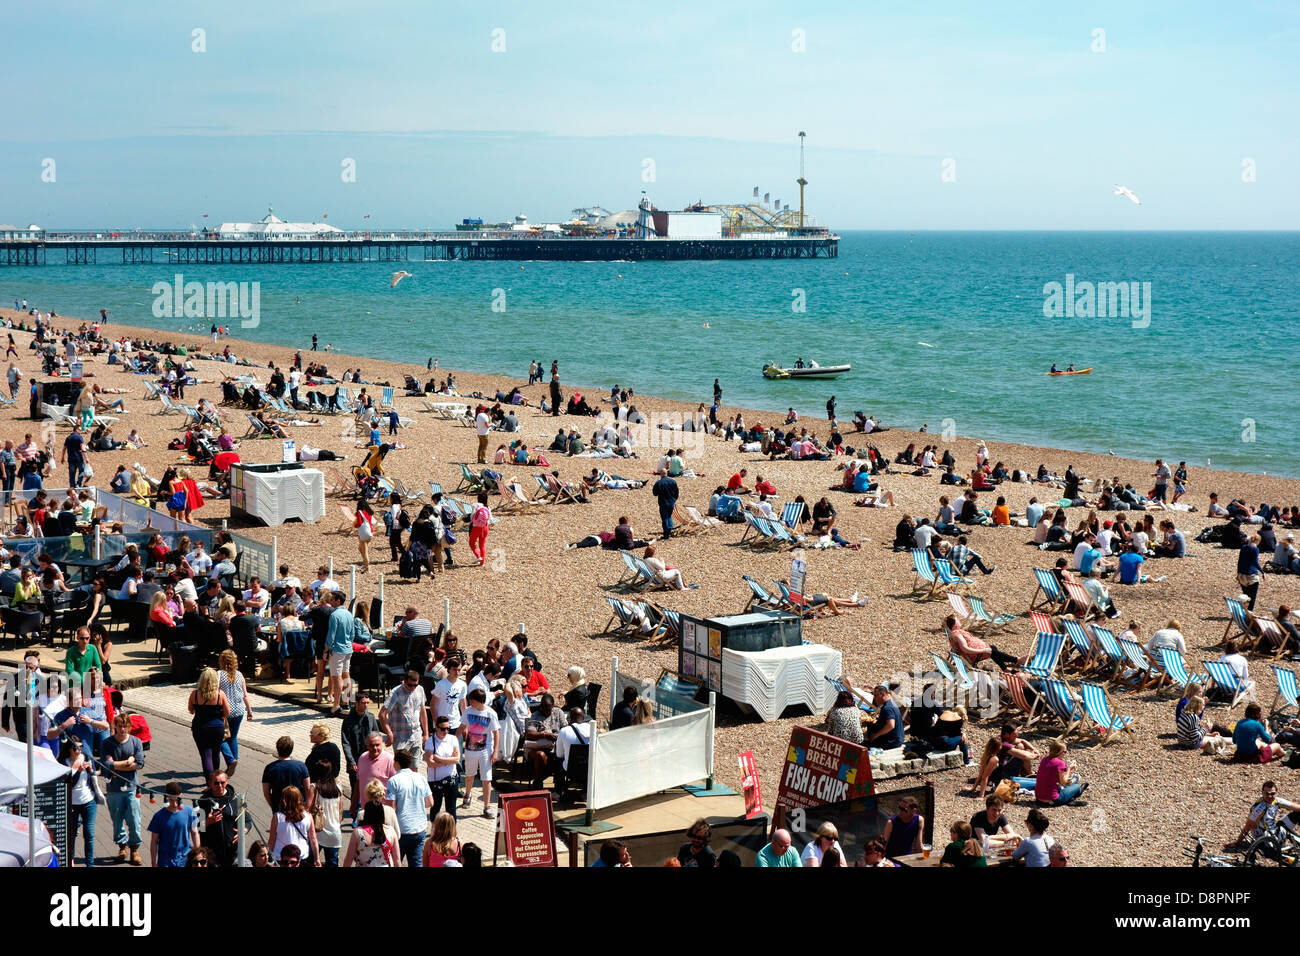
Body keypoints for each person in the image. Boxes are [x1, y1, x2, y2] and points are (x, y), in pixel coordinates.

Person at [100, 713, 145, 865]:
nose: (123, 729)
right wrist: (127, 762)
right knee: (117, 820)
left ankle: (134, 850)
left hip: (132, 788)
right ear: (115, 727)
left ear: (129, 727)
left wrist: (115, 765)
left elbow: (139, 764)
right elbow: (105, 765)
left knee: (134, 819)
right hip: (113, 789)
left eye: (125, 726)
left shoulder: (136, 742)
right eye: (120, 726)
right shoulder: (107, 743)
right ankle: (122, 847)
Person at [385, 749, 434, 866]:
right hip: (419, 828)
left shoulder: (393, 781)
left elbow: (391, 809)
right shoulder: (421, 777)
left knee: (395, 862)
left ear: (396, 763)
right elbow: (430, 802)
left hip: (401, 830)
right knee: (416, 863)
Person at [59, 737, 101, 867]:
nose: (79, 750)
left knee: (89, 834)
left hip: (88, 800)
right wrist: (75, 769)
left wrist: (91, 771)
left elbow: (94, 774)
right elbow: (63, 781)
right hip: (72, 802)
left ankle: (90, 863)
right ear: (69, 749)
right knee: (71, 834)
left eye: (81, 746)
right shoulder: (63, 762)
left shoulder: (86, 757)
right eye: (76, 747)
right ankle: (70, 860)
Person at [460, 687, 500, 817]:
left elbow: (496, 732)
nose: (471, 703)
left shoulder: (490, 713)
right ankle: (468, 793)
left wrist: (495, 752)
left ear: (480, 701)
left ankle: (487, 806)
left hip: (485, 749)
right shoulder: (468, 711)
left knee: (486, 778)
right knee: (469, 774)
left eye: (473, 701)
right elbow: (462, 727)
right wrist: (454, 742)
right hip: (471, 747)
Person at [187, 667, 230, 782]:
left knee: (206, 755)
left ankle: (210, 783)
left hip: (200, 727)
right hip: (217, 728)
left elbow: (190, 710)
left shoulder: (194, 694)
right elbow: (227, 712)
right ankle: (217, 780)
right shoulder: (220, 694)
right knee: (216, 753)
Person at [381, 669, 429, 764]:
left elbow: (423, 712)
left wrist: (426, 734)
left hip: (416, 735)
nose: (413, 688)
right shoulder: (396, 692)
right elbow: (382, 714)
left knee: (415, 767)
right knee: (401, 767)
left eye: (415, 685)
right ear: (404, 682)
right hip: (400, 737)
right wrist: (389, 733)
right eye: (410, 685)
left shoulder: (420, 690)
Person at [197, 769, 244, 867]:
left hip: (232, 852)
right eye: (216, 783)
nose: (220, 786)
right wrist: (207, 822)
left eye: (222, 783)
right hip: (210, 854)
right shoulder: (202, 802)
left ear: (227, 782)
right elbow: (196, 827)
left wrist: (243, 830)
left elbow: (247, 820)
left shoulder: (235, 800)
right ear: (210, 783)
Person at [149, 781, 201, 868]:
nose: (174, 804)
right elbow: (154, 841)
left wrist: (198, 854)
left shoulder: (190, 811)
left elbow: (195, 833)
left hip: (185, 859)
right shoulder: (158, 816)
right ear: (166, 797)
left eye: (177, 800)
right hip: (165, 861)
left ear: (181, 795)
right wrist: (153, 862)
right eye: (171, 800)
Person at [217, 649, 250, 777]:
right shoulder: (240, 675)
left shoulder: (219, 674)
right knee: (233, 737)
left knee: (221, 737)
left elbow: (216, 692)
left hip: (226, 711)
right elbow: (245, 695)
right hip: (239, 710)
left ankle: (231, 760)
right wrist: (250, 711)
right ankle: (233, 765)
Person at [269, 784, 319, 866]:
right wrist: (317, 858)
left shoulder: (277, 817)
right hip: (301, 856)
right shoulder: (308, 816)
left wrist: (269, 856)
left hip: (281, 857)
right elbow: (313, 839)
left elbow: (272, 840)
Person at [261, 735, 312, 814]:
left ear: (277, 749)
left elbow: (266, 792)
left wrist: (273, 807)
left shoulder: (270, 768)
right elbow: (308, 788)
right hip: (298, 807)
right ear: (291, 749)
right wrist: (307, 805)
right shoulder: (301, 766)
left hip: (279, 807)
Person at [424, 714, 462, 822]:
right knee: (435, 808)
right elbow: (430, 763)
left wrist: (439, 759)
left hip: (451, 779)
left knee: (451, 809)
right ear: (436, 728)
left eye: (448, 729)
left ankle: (452, 833)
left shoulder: (453, 739)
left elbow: (457, 759)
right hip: (435, 780)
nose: (445, 731)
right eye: (443, 729)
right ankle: (434, 831)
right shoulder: (430, 741)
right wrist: (449, 760)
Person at [1035, 740, 1088, 806]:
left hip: (1038, 799)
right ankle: (1074, 796)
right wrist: (1069, 769)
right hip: (1053, 800)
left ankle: (1070, 798)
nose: (1065, 754)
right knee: (1076, 786)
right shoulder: (1059, 763)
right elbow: (1063, 783)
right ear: (1059, 752)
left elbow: (1053, 775)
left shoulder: (1045, 759)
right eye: (1065, 752)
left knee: (1065, 787)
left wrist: (1065, 768)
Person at [866, 684, 904, 749]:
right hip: (899, 738)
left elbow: (891, 725)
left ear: (883, 694)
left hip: (892, 741)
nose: (874, 698)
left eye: (876, 696)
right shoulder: (891, 703)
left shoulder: (887, 708)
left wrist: (876, 735)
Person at [651, 472, 679, 538]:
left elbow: (655, 493)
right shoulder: (673, 481)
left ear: (661, 474)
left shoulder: (659, 483)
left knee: (664, 517)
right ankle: (671, 529)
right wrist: (674, 499)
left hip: (663, 502)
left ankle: (666, 534)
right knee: (669, 516)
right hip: (671, 502)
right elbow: (677, 492)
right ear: (666, 474)